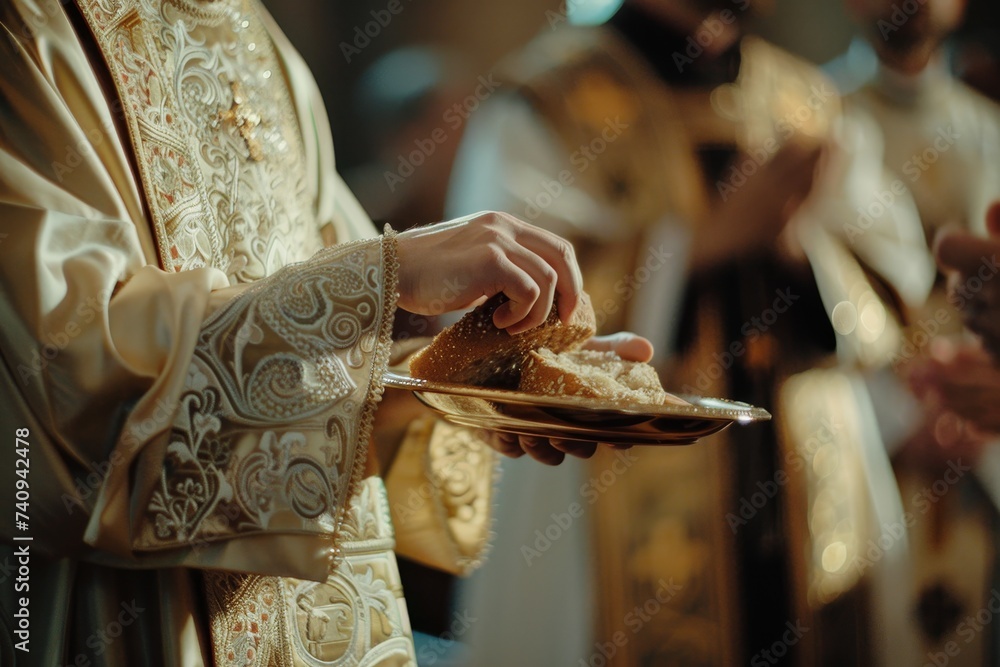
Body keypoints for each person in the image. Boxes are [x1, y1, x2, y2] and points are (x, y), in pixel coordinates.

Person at [0, 1, 650, 664]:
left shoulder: (254, 35)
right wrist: (384, 274)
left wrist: (469, 386)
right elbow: (53, 388)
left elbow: (346, 363)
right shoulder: (29, 29)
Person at [445, 0, 914, 664]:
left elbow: (896, 286)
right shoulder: (546, 101)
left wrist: (795, 250)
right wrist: (706, 242)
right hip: (606, 499)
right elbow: (495, 317)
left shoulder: (806, 101)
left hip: (809, 486)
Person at [818, 1, 1000, 662]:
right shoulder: (815, 115)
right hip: (860, 431)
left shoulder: (991, 130)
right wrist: (895, 414)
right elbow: (811, 290)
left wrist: (984, 410)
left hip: (983, 442)